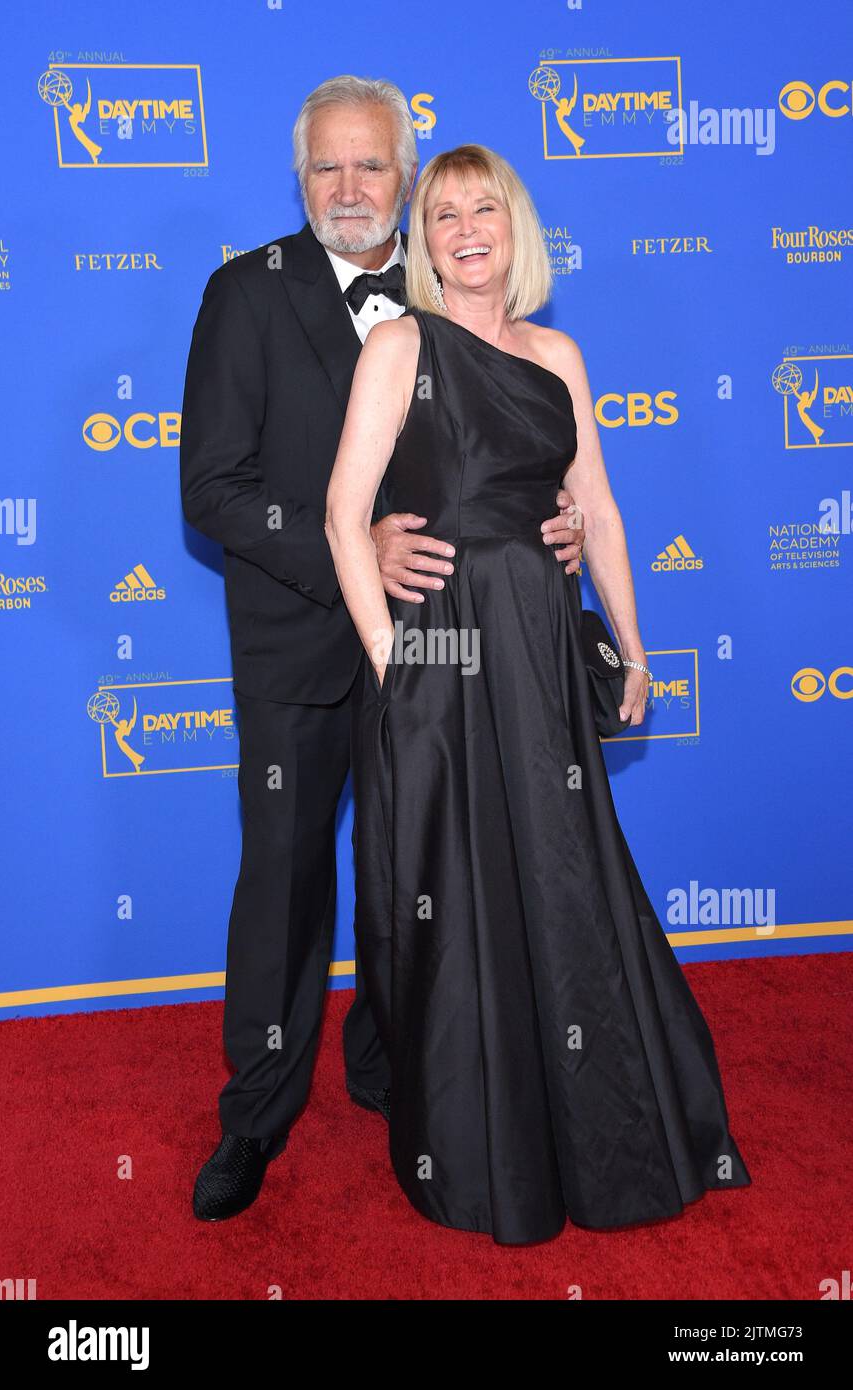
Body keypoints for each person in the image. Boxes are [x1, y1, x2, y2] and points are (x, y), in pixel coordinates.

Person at [324, 144, 751, 1245]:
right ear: (424, 240)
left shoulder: (558, 353)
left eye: (486, 210)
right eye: (446, 214)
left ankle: (596, 1128)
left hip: (544, 646)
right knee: (453, 884)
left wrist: (638, 646)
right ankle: (477, 1149)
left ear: (517, 228)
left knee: (563, 872)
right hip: (443, 655)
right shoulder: (399, 346)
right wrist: (389, 660)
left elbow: (594, 508)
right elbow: (343, 512)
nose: (467, 229)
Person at [179, 82, 586, 1222]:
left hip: (454, 649)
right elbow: (211, 487)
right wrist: (348, 545)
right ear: (299, 180)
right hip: (301, 651)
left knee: (418, 881)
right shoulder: (243, 294)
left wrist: (554, 527)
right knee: (287, 889)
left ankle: (398, 1075)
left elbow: (526, 451)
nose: (350, 189)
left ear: (404, 177)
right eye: (327, 170)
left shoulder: (456, 288)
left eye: (371, 168)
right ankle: (255, 1114)